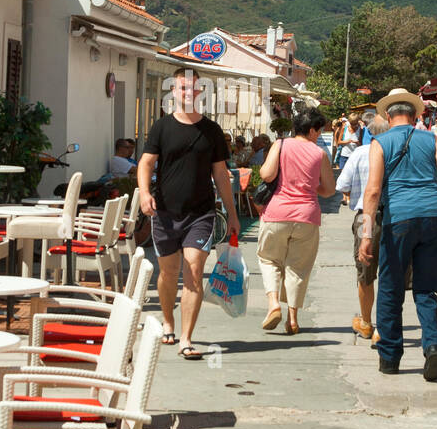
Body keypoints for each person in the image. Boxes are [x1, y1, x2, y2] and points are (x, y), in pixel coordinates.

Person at [359, 88, 437, 381]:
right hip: (433, 216)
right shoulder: (432, 140)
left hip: (399, 219)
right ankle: (432, 345)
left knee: (391, 289)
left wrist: (367, 235)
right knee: (426, 288)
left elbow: (373, 191)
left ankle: (390, 358)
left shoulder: (380, 142)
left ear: (388, 116)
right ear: (416, 115)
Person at [138, 67, 241, 360]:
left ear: (200, 92)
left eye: (193, 88)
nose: (188, 93)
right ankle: (168, 322)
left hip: (201, 213)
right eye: (182, 88)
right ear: (174, 91)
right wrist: (145, 193)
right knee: (169, 273)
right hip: (166, 212)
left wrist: (231, 213)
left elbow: (221, 174)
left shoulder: (212, 131)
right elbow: (146, 163)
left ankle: (186, 337)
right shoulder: (162, 127)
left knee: (194, 271)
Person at [257, 107, 336, 335]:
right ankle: (292, 318)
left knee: (269, 259)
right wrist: (311, 188)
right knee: (298, 268)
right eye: (319, 130)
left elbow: (266, 175)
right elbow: (329, 190)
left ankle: (273, 304)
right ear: (311, 130)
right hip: (307, 216)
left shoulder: (280, 145)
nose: (319, 135)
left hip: (277, 213)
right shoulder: (319, 154)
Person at [337, 117, 389, 339]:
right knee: (389, 272)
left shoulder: (359, 153)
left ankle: (366, 322)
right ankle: (384, 327)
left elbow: (342, 185)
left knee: (365, 271)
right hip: (393, 216)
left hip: (365, 218)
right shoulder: (395, 152)